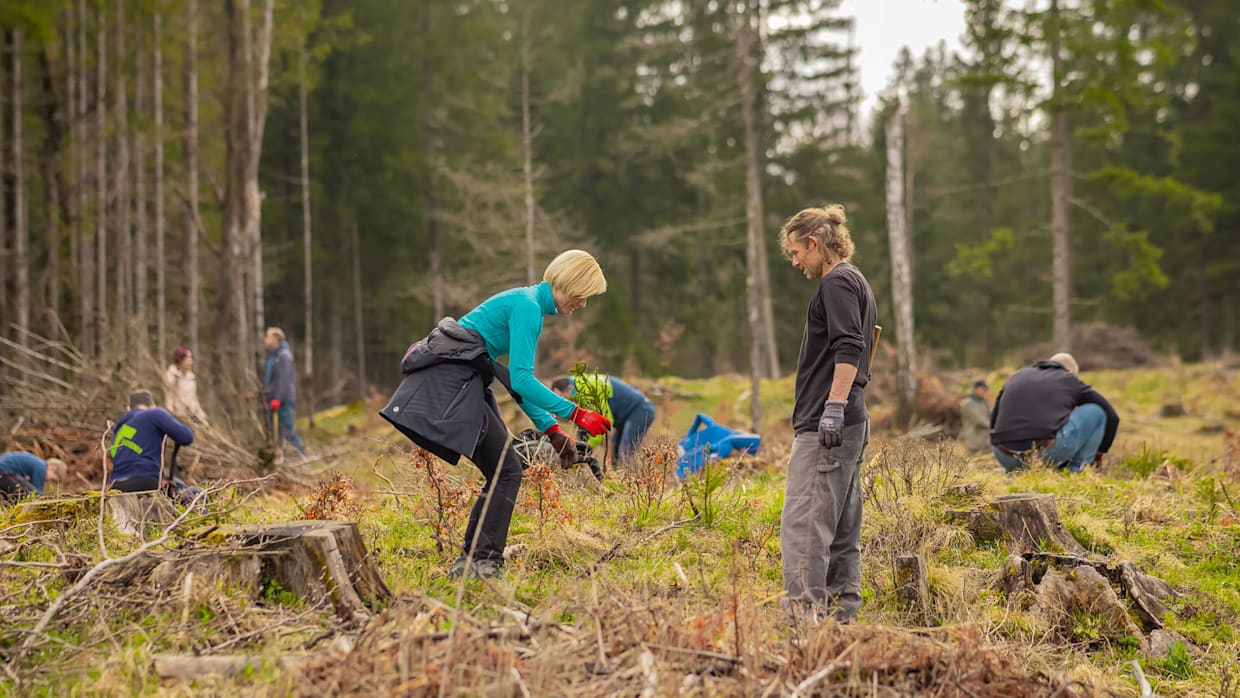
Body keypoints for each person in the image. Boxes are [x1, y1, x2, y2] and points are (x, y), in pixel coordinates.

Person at [380, 250, 612, 580]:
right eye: (584, 293)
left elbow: (517, 383)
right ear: (569, 283)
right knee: (506, 470)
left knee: (504, 469)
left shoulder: (529, 302)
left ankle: (472, 564)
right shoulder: (529, 307)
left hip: (466, 380)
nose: (584, 303)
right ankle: (482, 564)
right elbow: (522, 379)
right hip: (452, 382)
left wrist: (552, 430)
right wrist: (575, 413)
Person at [778, 204, 877, 624]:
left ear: (816, 244)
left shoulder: (836, 283)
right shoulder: (855, 281)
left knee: (803, 527)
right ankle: (841, 623)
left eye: (797, 252)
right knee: (840, 530)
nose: (796, 262)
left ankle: (803, 627)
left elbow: (850, 346)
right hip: (849, 424)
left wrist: (832, 407)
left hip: (828, 427)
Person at [989, 352, 1119, 474]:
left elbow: (993, 419)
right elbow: (1112, 416)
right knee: (1096, 412)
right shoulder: (1068, 379)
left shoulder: (1016, 376)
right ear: (1070, 372)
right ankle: (1076, 470)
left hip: (1004, 455)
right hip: (1046, 454)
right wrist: (1100, 453)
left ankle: (1015, 470)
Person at [550, 373, 656, 466]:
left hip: (640, 410)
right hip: (626, 415)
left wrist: (588, 446)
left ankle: (638, 483)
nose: (560, 403)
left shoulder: (588, 390)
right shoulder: (578, 392)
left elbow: (604, 422)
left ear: (569, 388)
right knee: (616, 454)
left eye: (561, 398)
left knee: (625, 452)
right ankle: (621, 483)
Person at [108, 389, 196, 497]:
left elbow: (112, 454)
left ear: (129, 409)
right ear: (153, 406)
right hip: (145, 481)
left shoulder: (121, 427)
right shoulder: (154, 414)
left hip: (116, 485)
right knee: (194, 492)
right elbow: (186, 437)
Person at [263, 327, 307, 457]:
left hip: (283, 401)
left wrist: (278, 398)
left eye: (268, 337)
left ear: (275, 339)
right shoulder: (273, 356)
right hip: (274, 400)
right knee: (275, 433)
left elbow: (284, 380)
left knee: (287, 431)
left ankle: (303, 456)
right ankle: (280, 459)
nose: (265, 340)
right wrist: (262, 393)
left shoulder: (284, 356)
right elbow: (272, 382)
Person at [163, 346, 208, 423]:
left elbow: (194, 398)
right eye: (188, 359)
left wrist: (202, 416)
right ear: (181, 360)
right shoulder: (172, 376)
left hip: (191, 415)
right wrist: (171, 416)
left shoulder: (191, 377)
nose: (190, 361)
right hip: (178, 417)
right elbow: (169, 398)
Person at [959, 379, 992, 452]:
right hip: (974, 443)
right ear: (976, 389)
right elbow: (979, 421)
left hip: (985, 442)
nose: (985, 391)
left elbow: (990, 416)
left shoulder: (983, 402)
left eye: (985, 389)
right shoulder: (968, 403)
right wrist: (995, 427)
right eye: (983, 389)